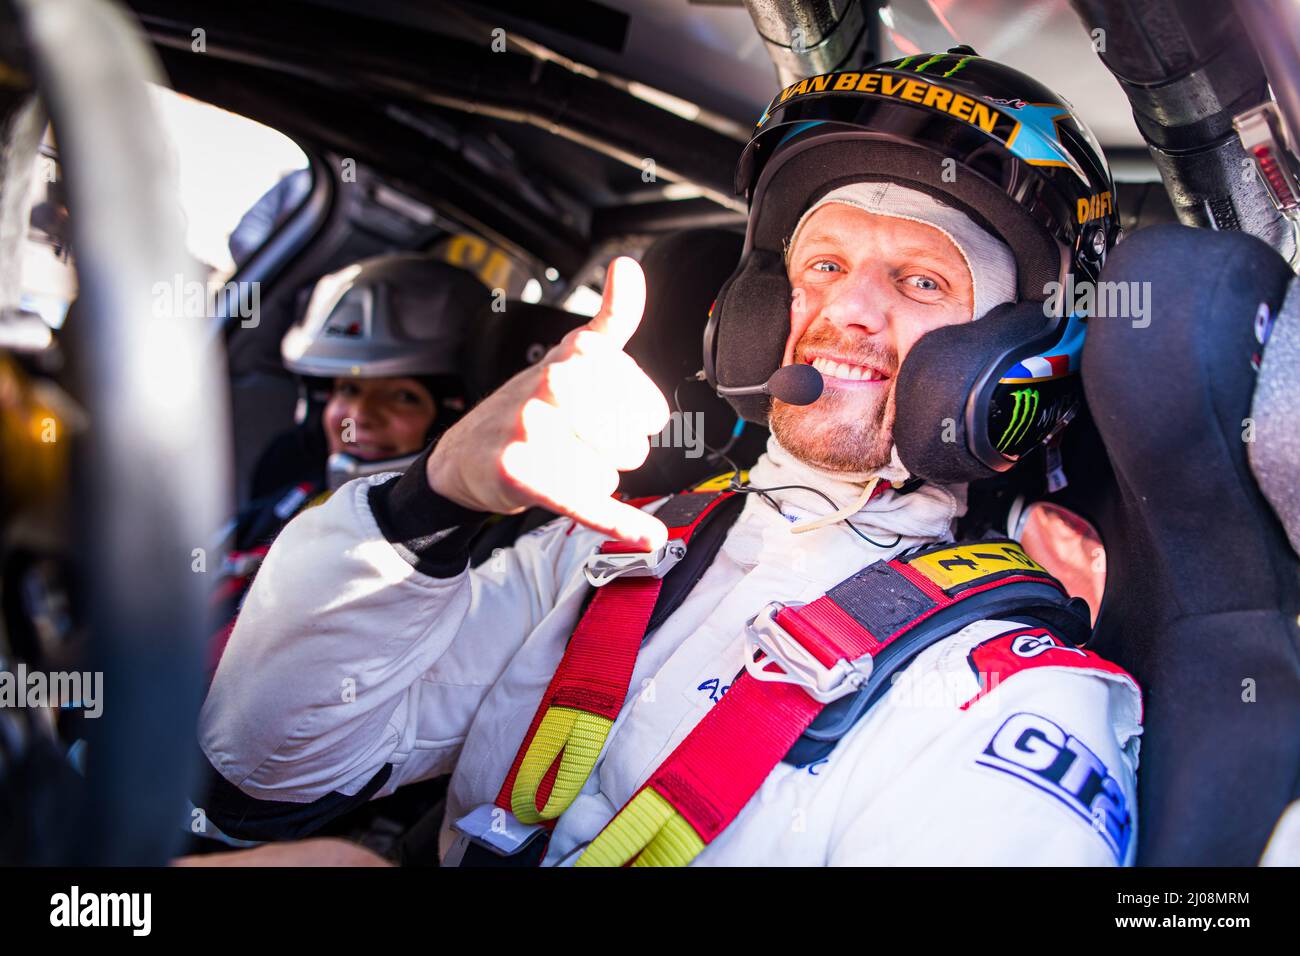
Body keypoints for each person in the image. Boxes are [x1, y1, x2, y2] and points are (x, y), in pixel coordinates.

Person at [198, 51, 1142, 866]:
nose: (843, 312)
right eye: (822, 265)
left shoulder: (1018, 699)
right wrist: (427, 500)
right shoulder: (622, 549)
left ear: (1015, 351)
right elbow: (272, 761)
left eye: (920, 279)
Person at [208, 254, 487, 668]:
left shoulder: (451, 558)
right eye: (349, 389)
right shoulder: (296, 488)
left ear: (451, 420)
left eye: (402, 396)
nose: (358, 417)